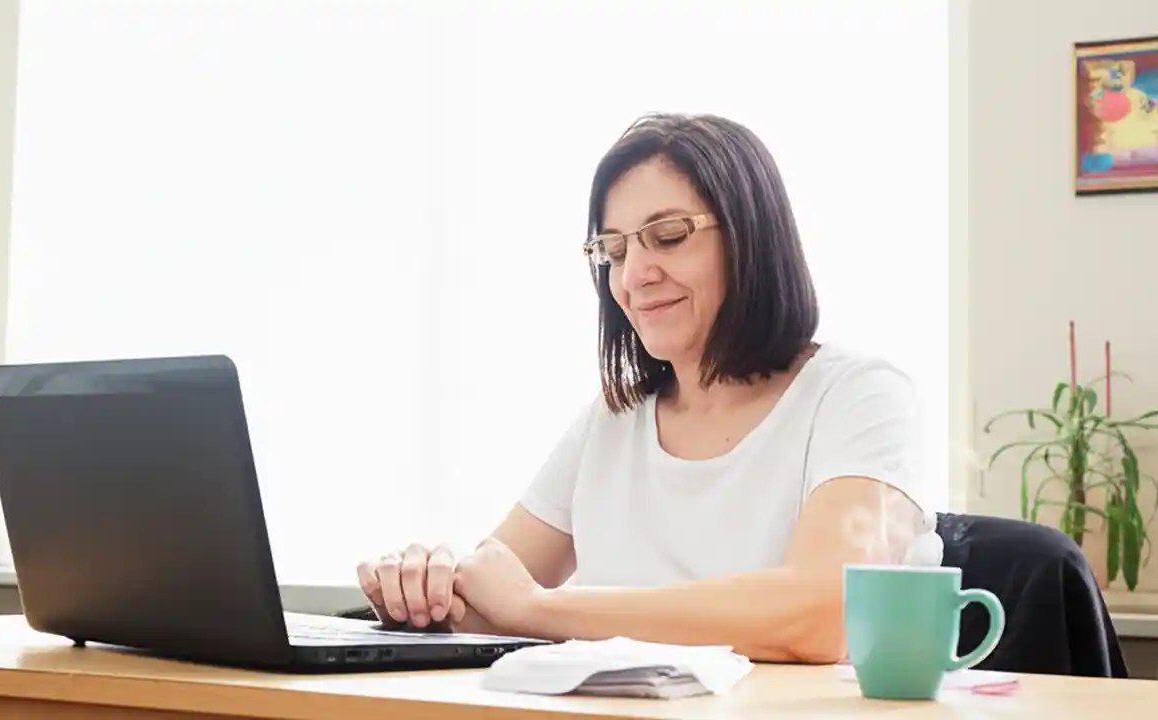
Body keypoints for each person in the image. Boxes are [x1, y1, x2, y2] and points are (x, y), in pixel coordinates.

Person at [356, 113, 933, 663]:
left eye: (669, 235)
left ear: (751, 238)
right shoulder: (611, 422)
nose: (633, 276)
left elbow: (826, 615)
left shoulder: (859, 396)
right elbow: (490, 596)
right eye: (615, 249)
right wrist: (422, 589)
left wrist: (544, 609)